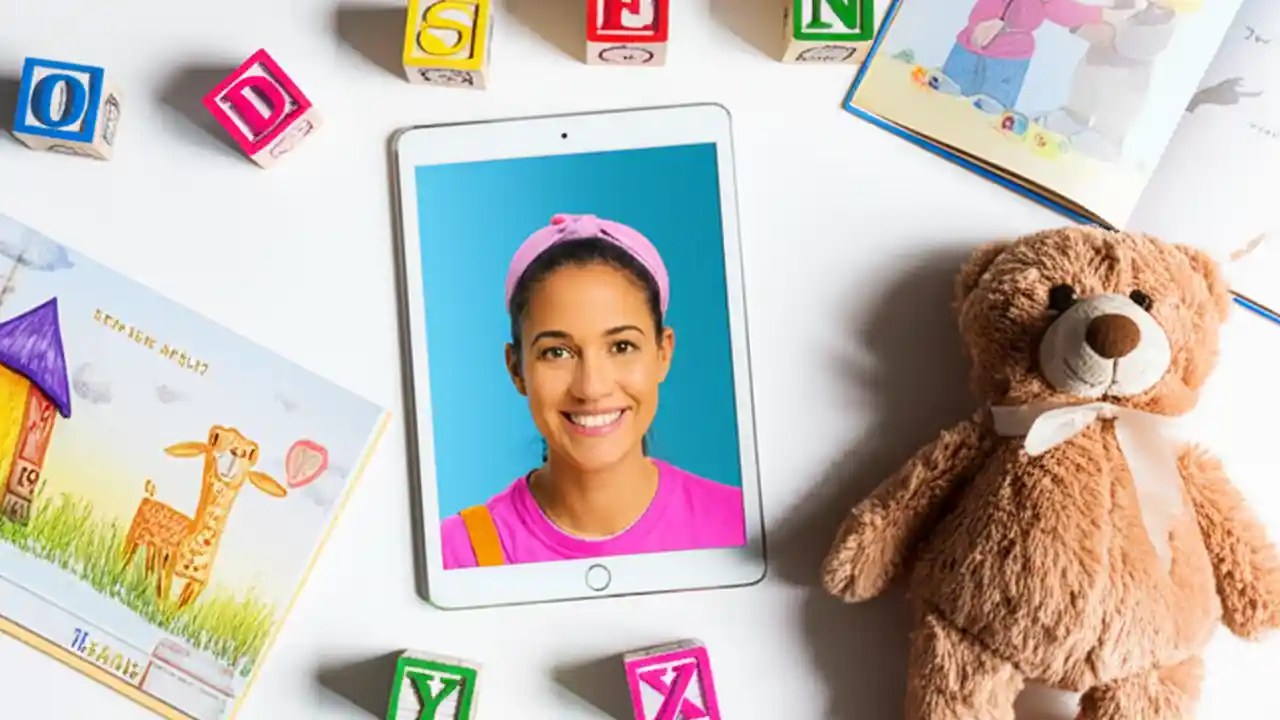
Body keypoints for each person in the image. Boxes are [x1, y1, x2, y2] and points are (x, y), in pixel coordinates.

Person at [439, 213, 746, 569]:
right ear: (516, 369)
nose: (592, 387)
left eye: (621, 347)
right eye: (557, 352)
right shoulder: (456, 553)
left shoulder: (746, 527)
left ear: (663, 354)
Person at [933, 0, 1107, 113]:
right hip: (970, 44)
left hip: (1009, 57)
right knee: (944, 97)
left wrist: (1101, 14)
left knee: (990, 111)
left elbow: (1065, 10)